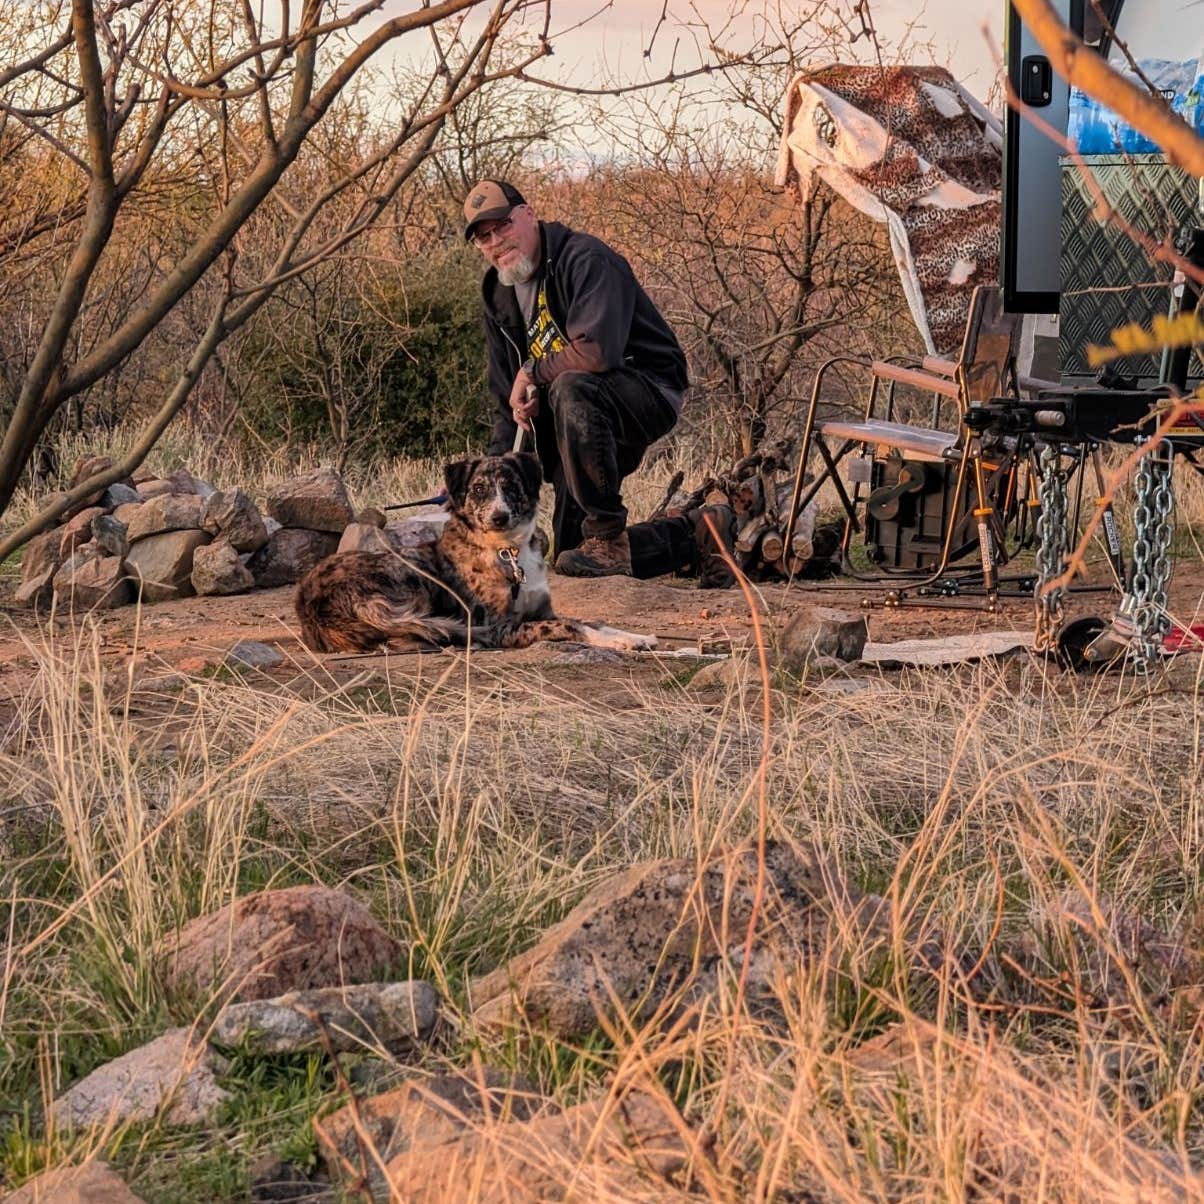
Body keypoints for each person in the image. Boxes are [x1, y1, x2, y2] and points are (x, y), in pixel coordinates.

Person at [467, 178, 694, 577]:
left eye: (502, 225)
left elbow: (596, 354)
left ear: (529, 215)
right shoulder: (497, 294)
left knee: (572, 386)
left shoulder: (585, 259)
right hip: (573, 415)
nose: (496, 241)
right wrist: (488, 481)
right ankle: (697, 536)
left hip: (648, 389)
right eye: (484, 237)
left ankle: (607, 534)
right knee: (572, 559)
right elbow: (509, 403)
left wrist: (533, 371)